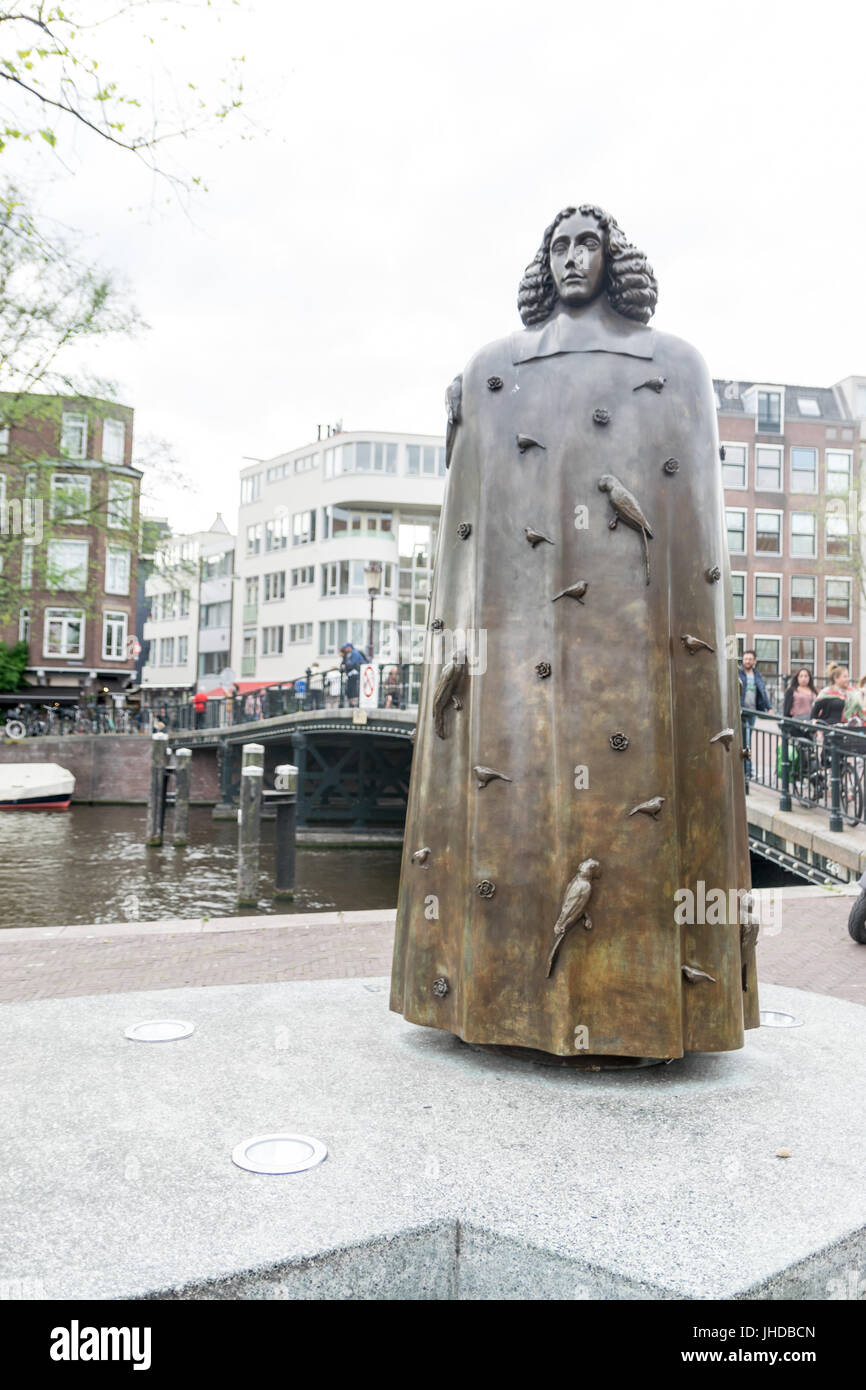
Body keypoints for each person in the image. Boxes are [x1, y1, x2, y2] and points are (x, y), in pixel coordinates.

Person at [391, 201, 756, 1063]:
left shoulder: (675, 364)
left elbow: (692, 522)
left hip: (636, 640)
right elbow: (472, 523)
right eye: (557, 245)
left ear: (613, 255)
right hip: (520, 647)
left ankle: (645, 1006)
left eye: (587, 242)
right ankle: (492, 992)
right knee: (515, 792)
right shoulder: (495, 365)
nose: (570, 257)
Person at [738, 649, 773, 775]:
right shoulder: (738, 672)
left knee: (746, 740)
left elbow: (762, 692)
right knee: (745, 740)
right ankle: (747, 771)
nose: (747, 661)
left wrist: (769, 707)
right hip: (741, 712)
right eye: (745, 658)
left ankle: (745, 769)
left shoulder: (757, 675)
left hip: (752, 712)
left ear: (754, 661)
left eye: (750, 659)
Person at [340, 642, 366, 706]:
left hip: (357, 673)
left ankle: (355, 703)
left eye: (346, 647)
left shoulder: (354, 653)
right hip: (353, 674)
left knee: (354, 689)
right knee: (350, 689)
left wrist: (346, 666)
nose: (345, 649)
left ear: (349, 647)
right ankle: (352, 703)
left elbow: (353, 663)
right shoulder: (349, 654)